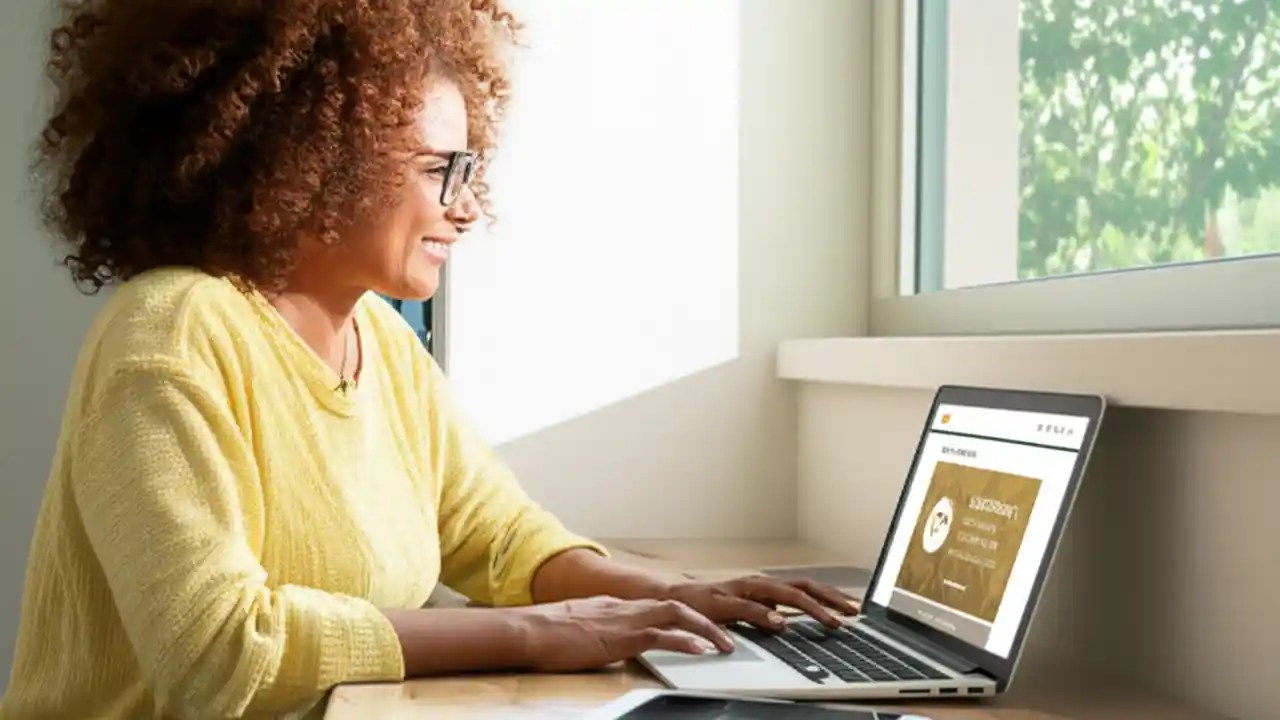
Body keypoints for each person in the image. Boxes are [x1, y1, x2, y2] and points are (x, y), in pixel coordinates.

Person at [0, 1, 857, 718]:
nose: (470, 206)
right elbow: (220, 653)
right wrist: (539, 632)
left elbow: (493, 534)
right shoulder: (173, 332)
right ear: (312, 159)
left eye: (472, 169)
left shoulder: (386, 343)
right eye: (442, 170)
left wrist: (659, 592)